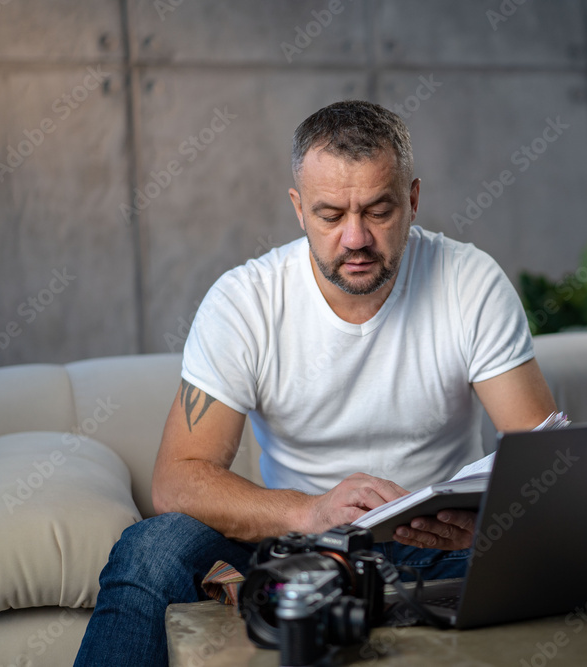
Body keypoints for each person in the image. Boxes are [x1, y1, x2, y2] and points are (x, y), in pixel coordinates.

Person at [74, 99, 558, 666]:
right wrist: (311, 513)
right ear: (298, 209)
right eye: (330, 216)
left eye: (378, 211)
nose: (355, 238)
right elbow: (177, 482)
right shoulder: (246, 302)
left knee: (568, 550)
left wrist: (479, 528)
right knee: (152, 550)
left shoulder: (469, 282)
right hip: (292, 552)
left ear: (413, 200)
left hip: (440, 551)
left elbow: (544, 464)